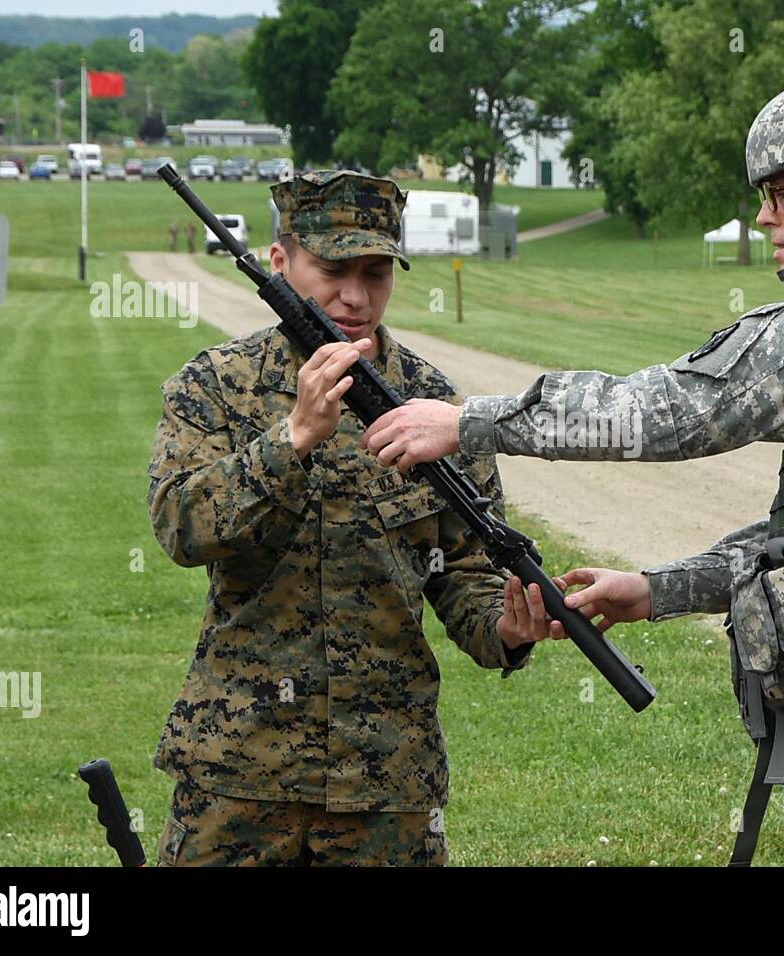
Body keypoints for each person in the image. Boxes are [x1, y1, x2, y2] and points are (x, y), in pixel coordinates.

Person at [360, 70, 784, 867]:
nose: (762, 215)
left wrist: (470, 421)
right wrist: (658, 590)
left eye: (780, 191)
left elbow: (668, 410)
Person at [147, 170, 557, 866]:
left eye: (376, 273)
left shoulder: (431, 404)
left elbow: (463, 573)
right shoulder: (216, 385)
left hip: (385, 784)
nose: (355, 296)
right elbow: (181, 525)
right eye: (333, 270)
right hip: (239, 772)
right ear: (280, 263)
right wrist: (291, 439)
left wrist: (505, 627)